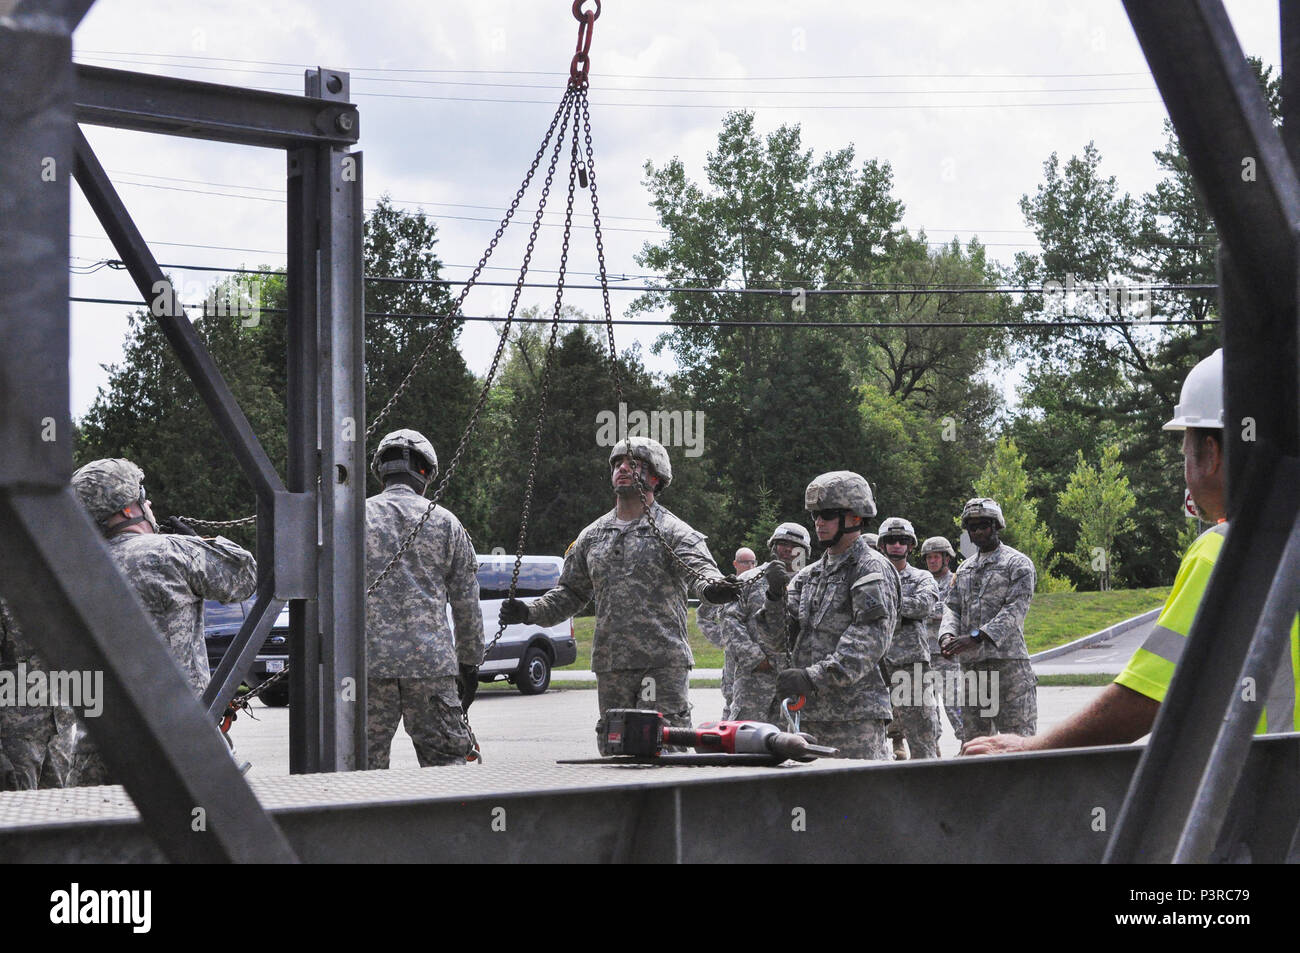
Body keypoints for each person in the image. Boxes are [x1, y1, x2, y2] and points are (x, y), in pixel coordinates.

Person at [962, 348, 1300, 755]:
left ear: (1210, 453)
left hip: (1266, 795)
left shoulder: (1227, 554)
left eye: (1186, 451)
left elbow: (1146, 697)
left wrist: (1038, 745)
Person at [499, 436, 734, 755]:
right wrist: (528, 613)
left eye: (634, 464)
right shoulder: (592, 536)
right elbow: (570, 593)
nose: (623, 468)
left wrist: (713, 588)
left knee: (661, 748)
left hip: (661, 663)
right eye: (617, 463)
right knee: (616, 748)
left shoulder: (674, 531)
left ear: (655, 477)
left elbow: (700, 572)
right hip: (611, 664)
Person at [69, 457, 259, 783]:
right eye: (142, 496)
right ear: (129, 510)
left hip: (99, 745)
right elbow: (244, 576)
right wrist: (197, 541)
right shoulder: (170, 551)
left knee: (108, 831)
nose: (149, 502)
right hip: (180, 741)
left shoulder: (75, 568)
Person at [757, 471, 900, 760]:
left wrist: (812, 677)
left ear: (855, 518)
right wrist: (774, 597)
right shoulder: (810, 575)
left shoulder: (870, 569)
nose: (819, 523)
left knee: (856, 800)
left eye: (828, 515)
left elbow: (868, 641)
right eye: (815, 516)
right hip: (808, 714)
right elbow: (777, 641)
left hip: (853, 718)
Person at [364, 429, 483, 768]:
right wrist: (470, 663)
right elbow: (466, 603)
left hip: (367, 666)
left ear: (381, 470)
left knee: (359, 773)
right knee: (447, 771)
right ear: (427, 473)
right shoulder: (446, 523)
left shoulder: (352, 518)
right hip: (430, 667)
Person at [938, 497, 1037, 740]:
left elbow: (1015, 610)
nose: (979, 531)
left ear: (996, 526)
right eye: (973, 527)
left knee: (1019, 743)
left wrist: (975, 637)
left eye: (984, 525)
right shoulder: (964, 569)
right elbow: (952, 606)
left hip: (1009, 669)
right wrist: (947, 635)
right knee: (976, 744)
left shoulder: (1018, 564)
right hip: (974, 672)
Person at [719, 523, 811, 724]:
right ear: (773, 547)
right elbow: (729, 620)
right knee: (745, 738)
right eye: (783, 544)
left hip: (793, 680)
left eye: (795, 546)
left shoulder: (810, 583)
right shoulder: (749, 580)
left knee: (792, 740)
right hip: (754, 680)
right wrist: (754, 658)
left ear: (804, 552)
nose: (788, 550)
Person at [877, 517, 941, 760]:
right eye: (891, 540)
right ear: (882, 544)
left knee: (922, 734)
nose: (896, 545)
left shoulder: (922, 577)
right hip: (873, 665)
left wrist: (883, 604)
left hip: (910, 667)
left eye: (902, 541)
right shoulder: (870, 576)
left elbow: (923, 606)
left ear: (911, 546)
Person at [0, 600, 78, 790]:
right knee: (18, 812)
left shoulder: (59, 595)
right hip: (17, 739)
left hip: (60, 728)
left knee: (59, 810)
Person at [698, 547, 759, 719]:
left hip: (756, 652)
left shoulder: (760, 586)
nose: (749, 565)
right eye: (745, 562)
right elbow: (703, 618)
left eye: (752, 562)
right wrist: (723, 639)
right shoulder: (726, 588)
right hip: (733, 655)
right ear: (735, 564)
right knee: (732, 701)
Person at [920, 536, 964, 744]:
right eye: (929, 557)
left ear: (947, 558)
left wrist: (923, 610)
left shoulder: (957, 581)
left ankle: (967, 742)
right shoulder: (922, 581)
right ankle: (931, 746)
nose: (932, 561)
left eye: (936, 556)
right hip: (923, 654)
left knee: (955, 702)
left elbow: (952, 611)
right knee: (926, 707)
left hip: (947, 654)